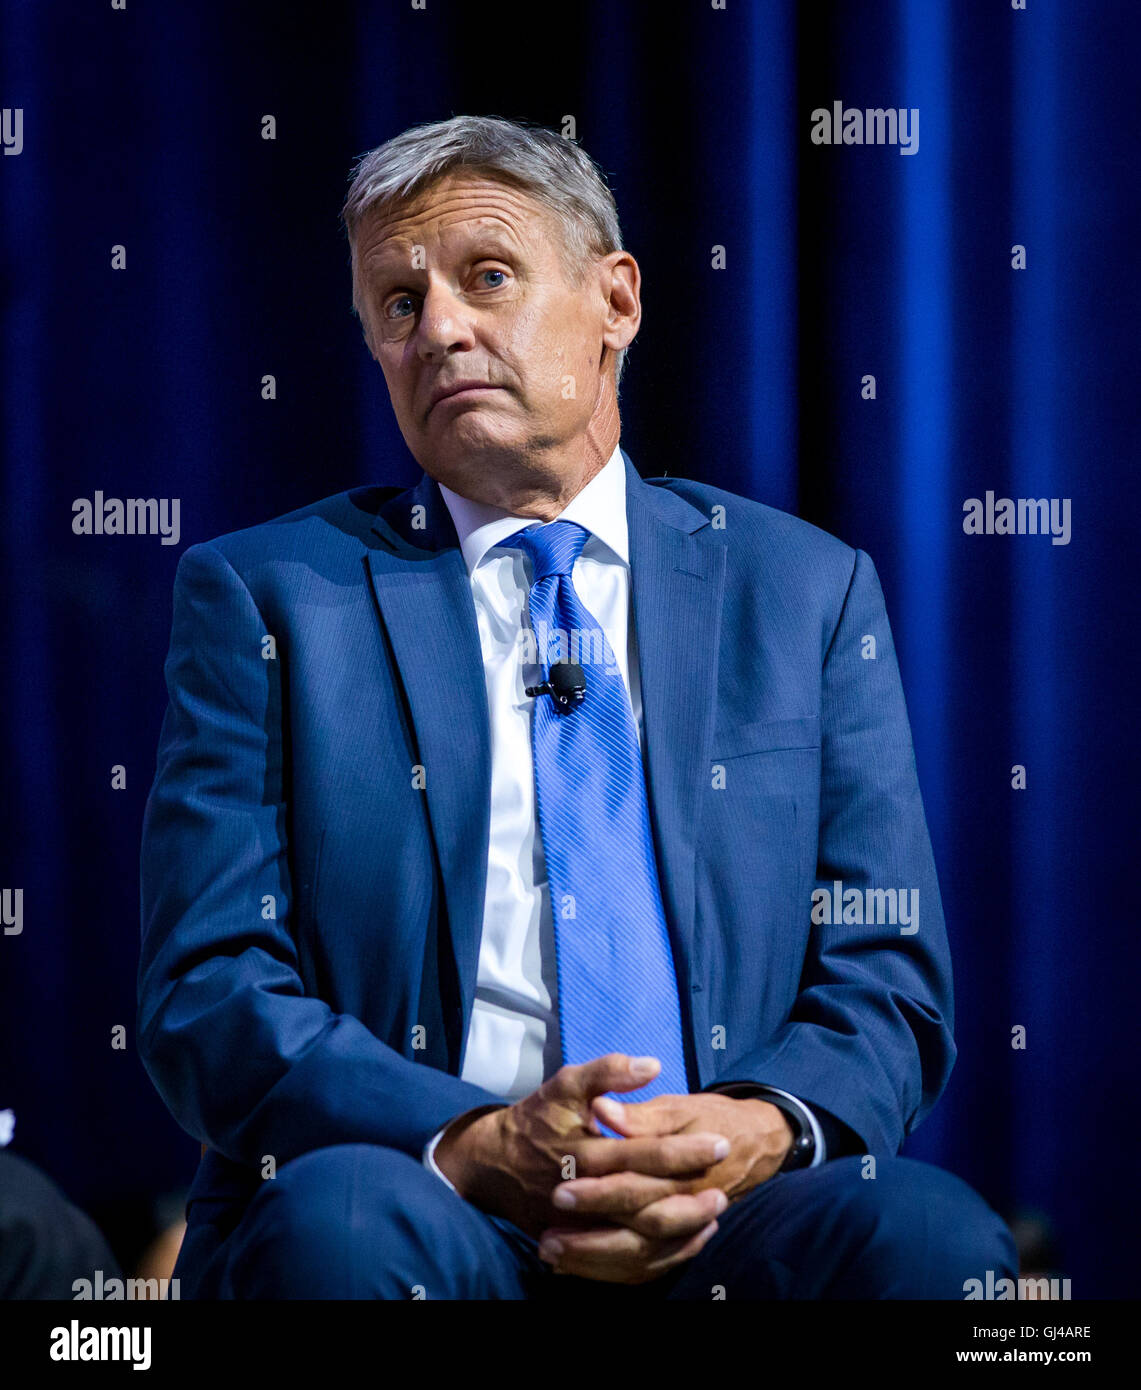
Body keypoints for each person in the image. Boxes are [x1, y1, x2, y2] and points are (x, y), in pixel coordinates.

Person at [137, 115, 1016, 1299]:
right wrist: (474, 1139)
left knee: (930, 1240)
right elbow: (209, 982)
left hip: (727, 1202)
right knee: (339, 1223)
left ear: (617, 300)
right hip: (423, 1191)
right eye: (397, 305)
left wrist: (748, 1130)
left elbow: (886, 968)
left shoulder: (801, 591)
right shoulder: (273, 596)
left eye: (485, 278)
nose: (439, 327)